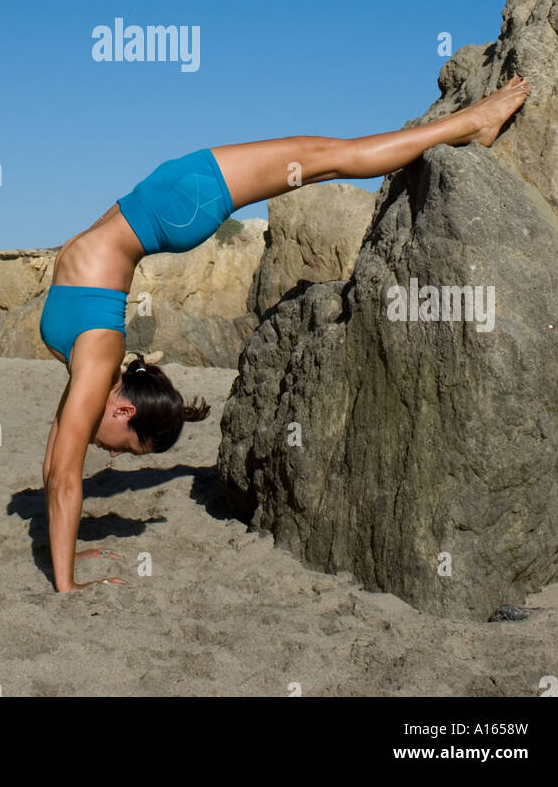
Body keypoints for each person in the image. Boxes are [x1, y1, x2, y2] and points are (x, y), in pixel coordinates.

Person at [40, 75, 530, 591]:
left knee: (331, 156)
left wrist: (67, 587)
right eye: (124, 452)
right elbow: (56, 465)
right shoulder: (93, 368)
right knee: (322, 154)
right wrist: (68, 557)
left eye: (125, 450)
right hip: (165, 199)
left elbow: (64, 477)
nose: (112, 455)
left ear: (124, 411)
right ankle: (468, 124)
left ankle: (474, 122)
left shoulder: (97, 360)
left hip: (173, 203)